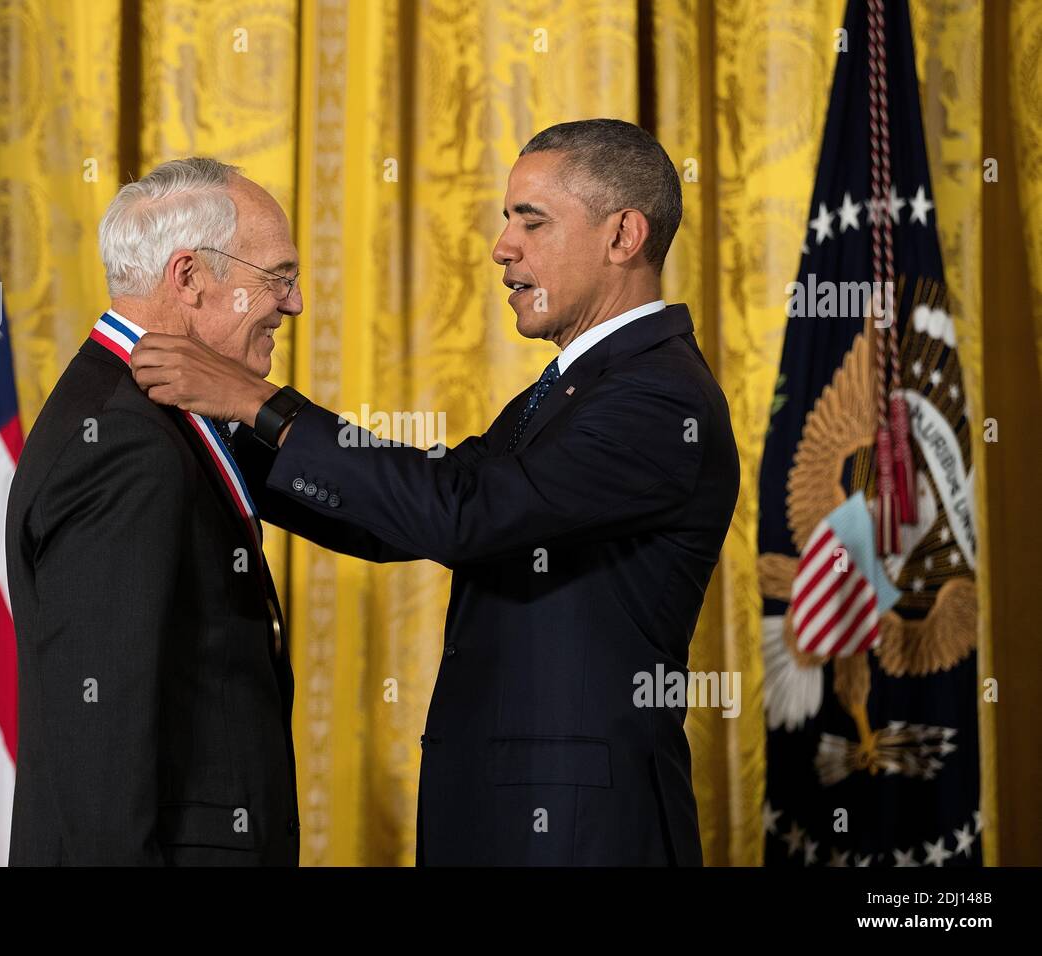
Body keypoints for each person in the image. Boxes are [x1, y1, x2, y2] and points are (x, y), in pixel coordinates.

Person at [132, 119, 741, 865]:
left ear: (623, 235)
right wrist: (224, 443)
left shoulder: (658, 399)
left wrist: (261, 404)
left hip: (578, 836)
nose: (502, 247)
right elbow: (404, 517)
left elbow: (460, 513)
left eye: (532, 220)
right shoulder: (571, 390)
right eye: (505, 220)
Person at [5, 158, 304, 865]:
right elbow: (100, 723)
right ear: (191, 278)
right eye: (277, 277)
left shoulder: (145, 410)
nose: (292, 304)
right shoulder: (124, 442)